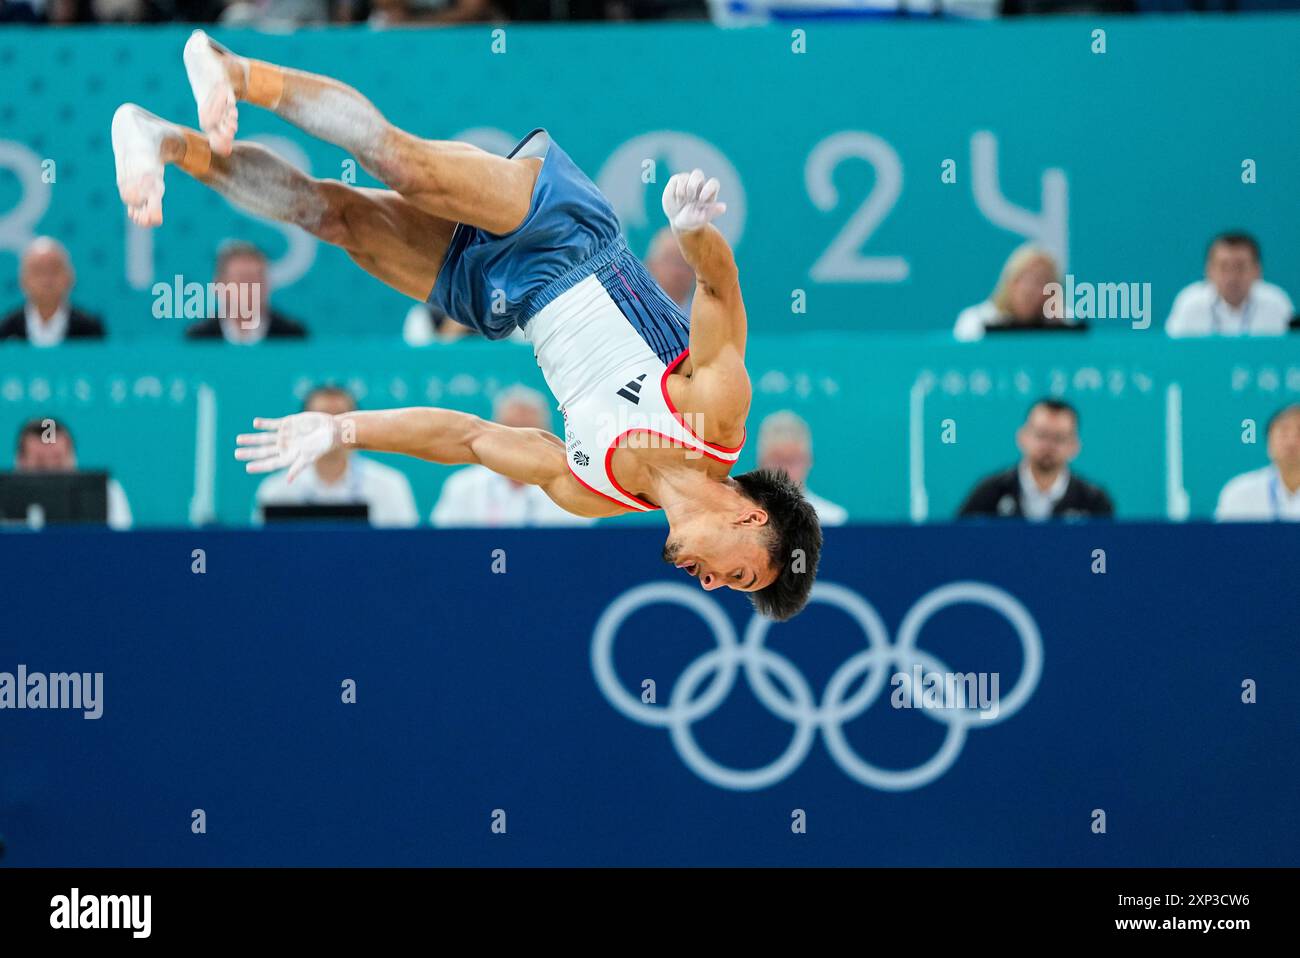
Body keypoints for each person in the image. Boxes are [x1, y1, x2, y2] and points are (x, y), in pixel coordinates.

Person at [110, 31, 820, 618]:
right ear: (752, 519)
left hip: (502, 301)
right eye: (740, 578)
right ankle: (234, 70)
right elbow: (718, 295)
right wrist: (694, 231)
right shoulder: (714, 422)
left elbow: (471, 438)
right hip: (567, 235)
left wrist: (344, 429)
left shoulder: (594, 493)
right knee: (404, 164)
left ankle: (165, 140)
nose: (710, 584)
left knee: (337, 218)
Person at [431, 386, 597, 528]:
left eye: (528, 432)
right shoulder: (463, 487)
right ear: (491, 435)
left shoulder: (571, 493)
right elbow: (444, 548)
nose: (518, 443)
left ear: (547, 436)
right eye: (510, 430)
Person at [254, 385, 418, 527]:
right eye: (320, 418)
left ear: (360, 426)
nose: (331, 428)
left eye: (342, 417)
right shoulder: (275, 491)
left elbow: (406, 549)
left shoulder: (390, 486)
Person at [957, 398, 1113, 520]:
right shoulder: (990, 493)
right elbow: (959, 544)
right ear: (1022, 437)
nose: (1049, 446)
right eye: (1041, 435)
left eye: (1059, 438)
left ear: (1074, 446)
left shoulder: (1093, 501)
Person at [1165, 232, 1294, 338]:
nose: (1232, 276)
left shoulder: (1277, 304)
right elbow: (1173, 353)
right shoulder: (1190, 304)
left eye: (1240, 267)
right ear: (1208, 270)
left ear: (1257, 270)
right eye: (1223, 267)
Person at [13, 418, 132, 529]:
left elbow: (122, 541)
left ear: (73, 458)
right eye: (40, 462)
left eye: (57, 460)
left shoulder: (108, 491)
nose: (50, 467)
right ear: (19, 461)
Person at [184, 240, 308, 343]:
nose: (252, 287)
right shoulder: (199, 339)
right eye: (244, 279)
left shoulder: (292, 336)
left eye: (258, 278)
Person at [953, 244, 1078, 342]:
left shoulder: (1065, 320)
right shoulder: (974, 321)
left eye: (1043, 283)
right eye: (1025, 280)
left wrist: (1056, 327)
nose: (1031, 290)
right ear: (1010, 283)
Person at [0, 237, 105, 345]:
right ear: (23, 280)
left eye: (54, 270)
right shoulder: (6, 330)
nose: (47, 279)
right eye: (38, 271)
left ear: (70, 277)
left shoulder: (89, 330)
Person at [756, 411, 847, 526]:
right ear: (761, 462)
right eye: (777, 460)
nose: (784, 471)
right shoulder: (742, 521)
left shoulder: (834, 520)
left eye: (793, 460)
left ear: (808, 461)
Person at [1215, 403, 1300, 521]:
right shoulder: (1239, 493)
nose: (1291, 441)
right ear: (1269, 443)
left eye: (1299, 433)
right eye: (1283, 432)